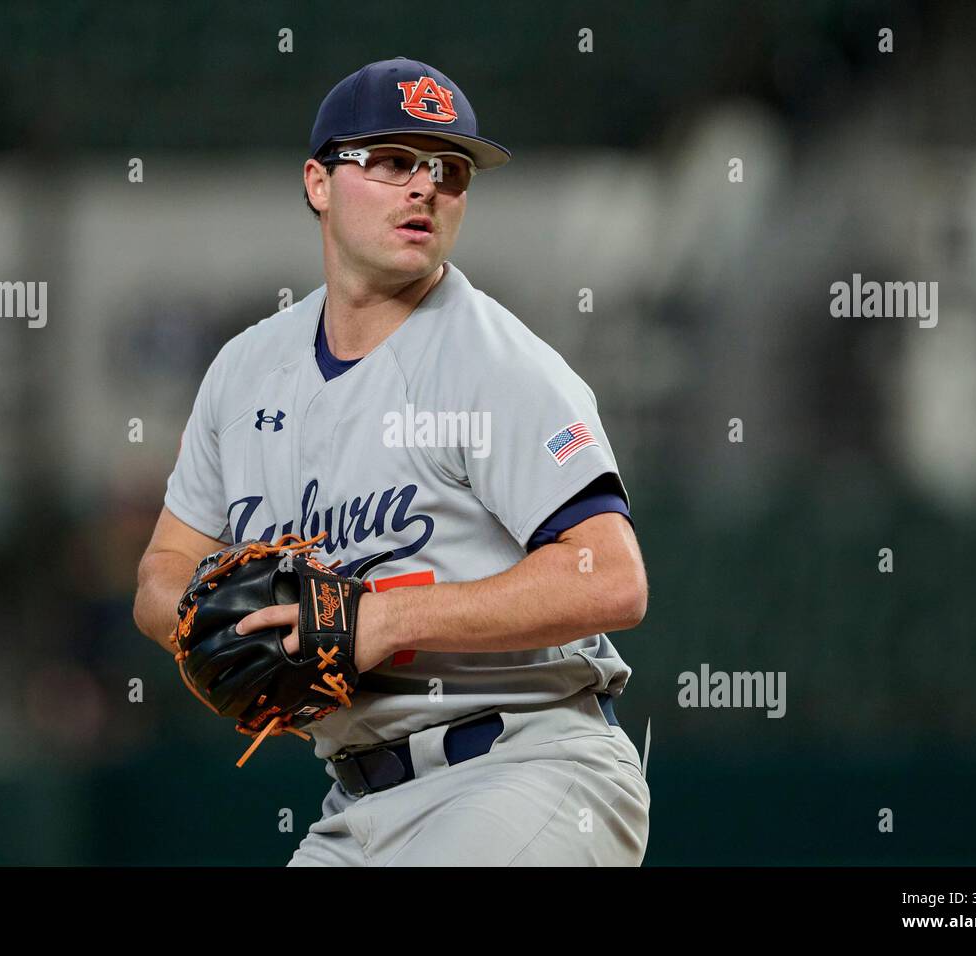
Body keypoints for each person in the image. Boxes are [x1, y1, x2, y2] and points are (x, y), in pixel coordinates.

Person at [134, 57, 650, 866]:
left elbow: (611, 580)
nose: (425, 187)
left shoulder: (497, 363)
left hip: (530, 768)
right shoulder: (244, 371)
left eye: (448, 169)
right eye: (391, 161)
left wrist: (376, 620)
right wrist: (221, 624)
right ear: (318, 183)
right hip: (359, 800)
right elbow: (163, 571)